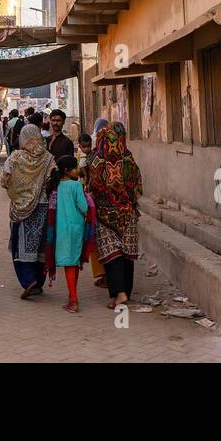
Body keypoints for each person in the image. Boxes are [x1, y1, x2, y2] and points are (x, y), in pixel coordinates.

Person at [90, 121, 142, 309]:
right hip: (128, 214)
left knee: (113, 255)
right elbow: (138, 184)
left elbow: (92, 186)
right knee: (127, 254)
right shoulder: (128, 158)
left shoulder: (98, 161)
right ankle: (126, 291)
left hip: (106, 217)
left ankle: (119, 293)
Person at [1, 124, 52, 298]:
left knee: (20, 244)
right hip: (43, 206)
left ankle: (28, 280)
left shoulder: (15, 158)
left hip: (21, 209)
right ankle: (39, 281)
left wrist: (19, 189)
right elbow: (54, 180)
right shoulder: (48, 158)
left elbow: (5, 180)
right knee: (40, 245)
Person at [47, 155, 90, 313]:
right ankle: (73, 298)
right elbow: (84, 207)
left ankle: (73, 297)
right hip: (76, 229)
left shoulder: (56, 186)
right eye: (75, 167)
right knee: (74, 263)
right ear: (67, 171)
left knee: (69, 263)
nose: (78, 170)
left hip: (62, 231)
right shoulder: (76, 186)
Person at [83, 119, 108, 287]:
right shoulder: (94, 155)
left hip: (101, 206)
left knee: (101, 241)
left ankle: (106, 275)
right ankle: (104, 275)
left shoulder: (96, 156)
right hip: (101, 205)